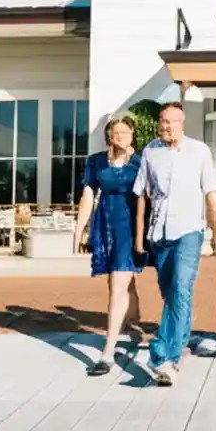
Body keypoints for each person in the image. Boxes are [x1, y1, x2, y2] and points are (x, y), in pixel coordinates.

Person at [133, 102, 216, 386]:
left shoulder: (199, 151)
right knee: (171, 294)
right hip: (159, 235)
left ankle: (165, 356)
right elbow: (141, 196)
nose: (166, 126)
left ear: (182, 122)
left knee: (181, 289)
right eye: (162, 121)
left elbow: (211, 191)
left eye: (171, 121)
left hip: (189, 231)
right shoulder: (150, 152)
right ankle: (181, 340)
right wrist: (139, 237)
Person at [72, 116, 145, 377]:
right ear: (109, 136)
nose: (121, 136)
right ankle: (134, 323)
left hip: (130, 227)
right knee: (123, 283)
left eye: (125, 132)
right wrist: (80, 229)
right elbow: (89, 195)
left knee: (117, 287)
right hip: (105, 226)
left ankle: (108, 351)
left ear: (132, 135)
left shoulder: (141, 161)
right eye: (116, 133)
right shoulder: (96, 162)